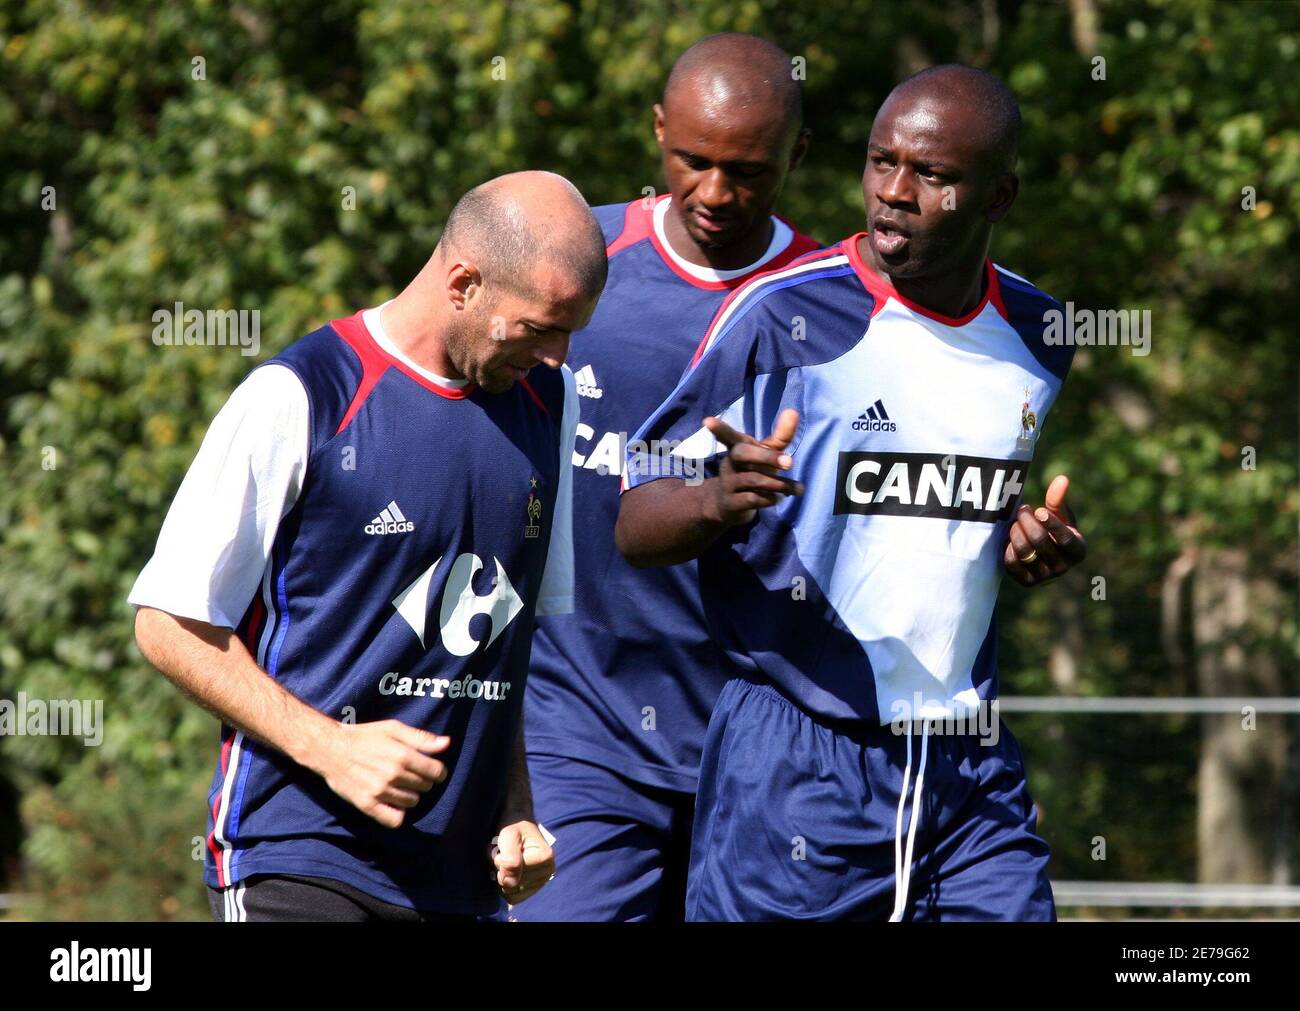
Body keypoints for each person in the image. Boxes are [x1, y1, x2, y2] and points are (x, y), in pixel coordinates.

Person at [616, 65, 1088, 921]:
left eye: (933, 175)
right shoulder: (779, 317)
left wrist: (1027, 540)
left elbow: (955, 517)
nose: (895, 192)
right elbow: (635, 518)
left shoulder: (1041, 333)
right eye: (882, 162)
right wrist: (718, 499)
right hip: (796, 762)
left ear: (1000, 196)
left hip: (967, 764)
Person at [130, 171, 606, 921]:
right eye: (541, 326)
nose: (558, 353)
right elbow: (168, 621)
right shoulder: (302, 393)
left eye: (573, 331)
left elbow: (498, 642)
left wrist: (515, 806)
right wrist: (332, 748)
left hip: (459, 879)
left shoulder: (552, 403)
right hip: (305, 854)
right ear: (464, 283)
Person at [512, 33, 819, 922]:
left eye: (749, 171)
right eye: (693, 160)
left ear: (797, 155)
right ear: (657, 132)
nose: (715, 192)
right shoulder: (574, 259)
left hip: (765, 737)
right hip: (579, 718)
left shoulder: (834, 301)